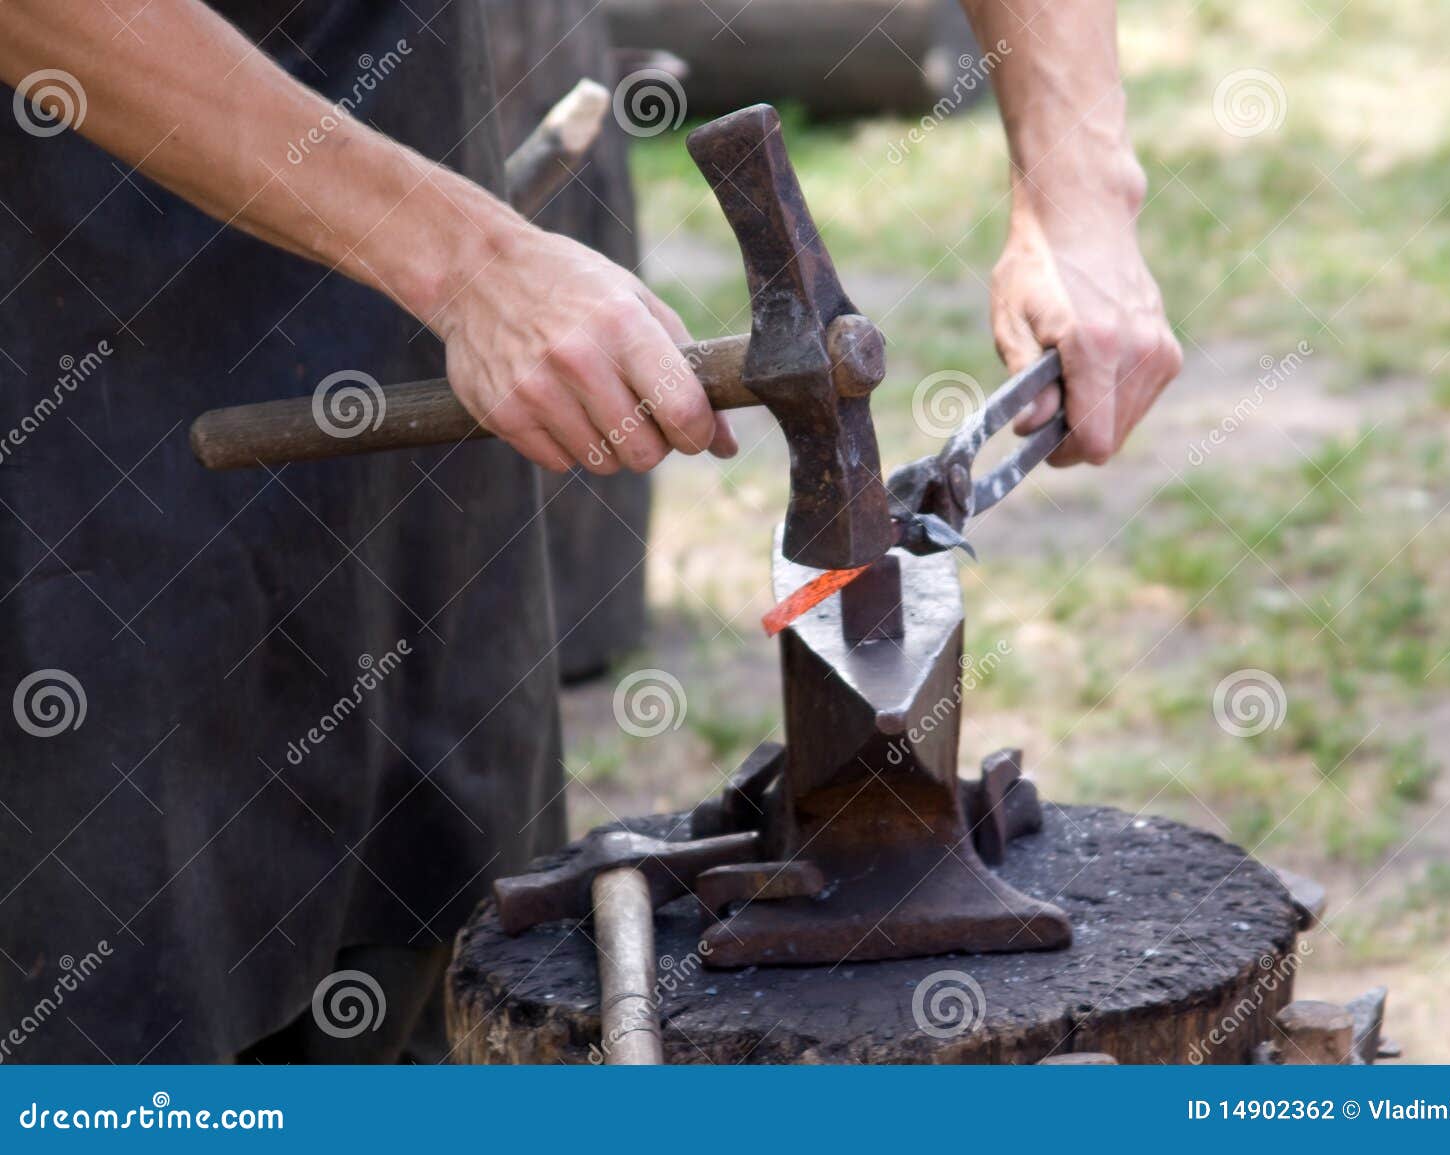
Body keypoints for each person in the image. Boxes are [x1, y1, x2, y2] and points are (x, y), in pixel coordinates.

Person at [0, 0, 1179, 1063]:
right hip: (70, 259)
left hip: (399, 146)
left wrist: (1078, 183)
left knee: (431, 914)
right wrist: (465, 259)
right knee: (112, 967)